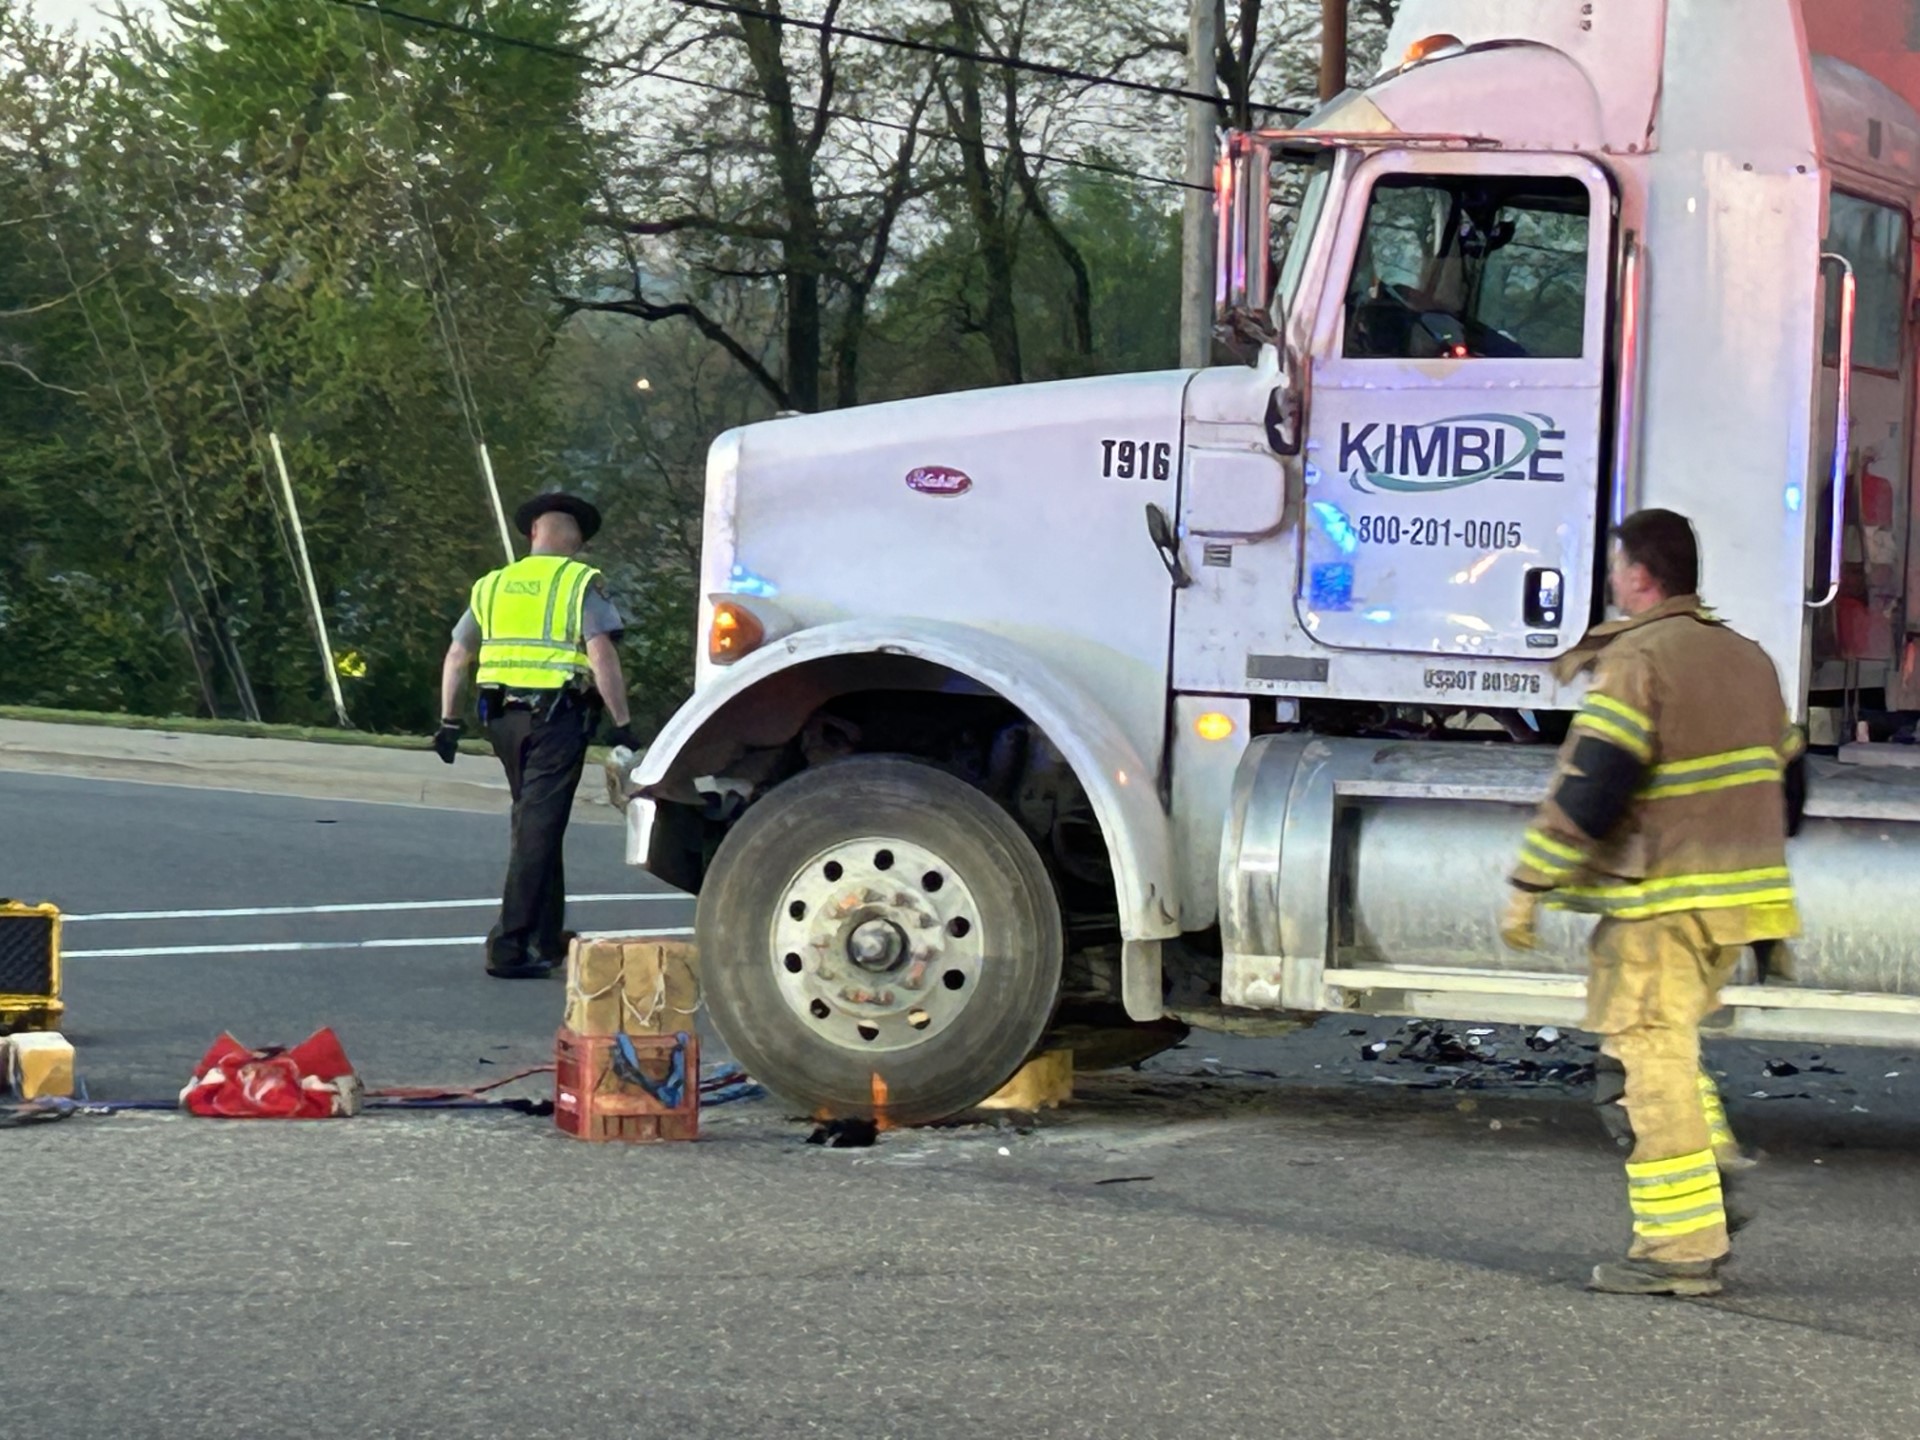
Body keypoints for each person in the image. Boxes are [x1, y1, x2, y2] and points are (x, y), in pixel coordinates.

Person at [1500, 508, 1807, 1297]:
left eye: (1615, 569)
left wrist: (1531, 884)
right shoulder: (1748, 658)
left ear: (1640, 575)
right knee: (1668, 1048)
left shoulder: (1640, 661)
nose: (1609, 581)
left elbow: (1594, 784)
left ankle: (1679, 1250)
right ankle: (1711, 1182)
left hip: (1662, 903)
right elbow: (1790, 789)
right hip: (1735, 905)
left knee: (1645, 1064)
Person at [434, 493, 640, 979]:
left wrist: (447, 721)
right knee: (538, 827)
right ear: (575, 539)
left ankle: (546, 938)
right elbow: (601, 654)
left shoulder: (493, 584)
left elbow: (458, 654)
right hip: (556, 718)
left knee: (534, 823)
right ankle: (508, 946)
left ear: (533, 534)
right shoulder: (578, 582)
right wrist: (624, 723)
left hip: (502, 721)